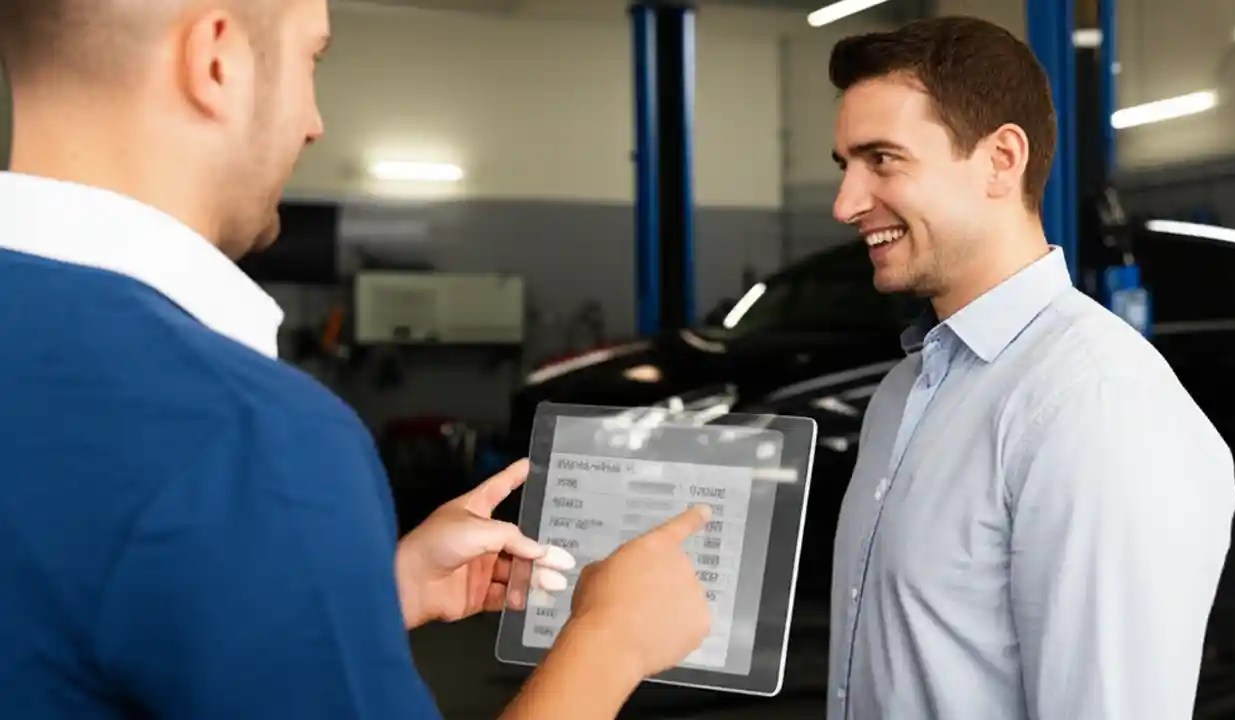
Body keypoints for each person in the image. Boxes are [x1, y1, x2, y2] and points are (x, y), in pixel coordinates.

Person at [0, 1, 712, 718]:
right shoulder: (252, 436)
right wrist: (610, 638)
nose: (314, 122)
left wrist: (365, 594)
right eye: (313, 59)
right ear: (215, 59)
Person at [825, 16, 1235, 720]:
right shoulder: (908, 388)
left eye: (883, 160)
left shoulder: (1097, 406)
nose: (846, 204)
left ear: (1001, 159)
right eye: (846, 167)